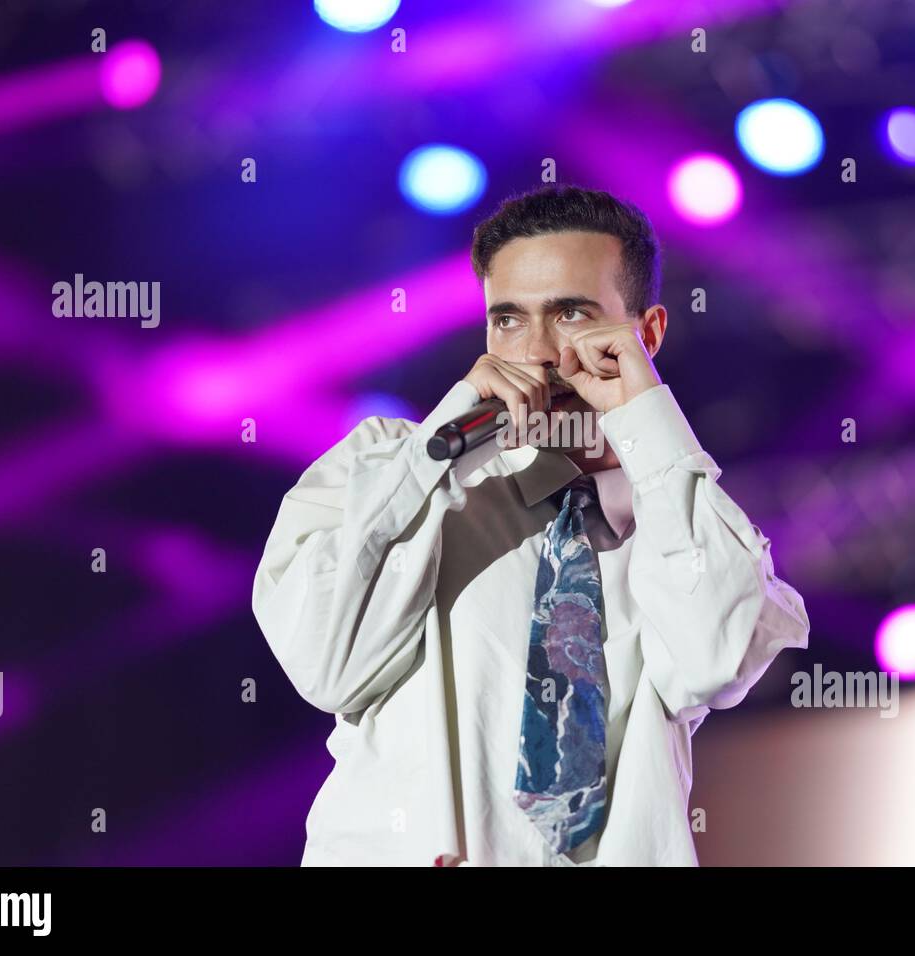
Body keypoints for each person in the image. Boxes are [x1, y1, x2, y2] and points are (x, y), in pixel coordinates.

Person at [251, 184, 809, 866]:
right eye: (508, 319)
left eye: (571, 313)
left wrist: (649, 420)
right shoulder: (392, 470)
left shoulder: (675, 519)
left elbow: (714, 663)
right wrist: (442, 448)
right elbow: (325, 664)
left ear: (649, 332)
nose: (538, 352)